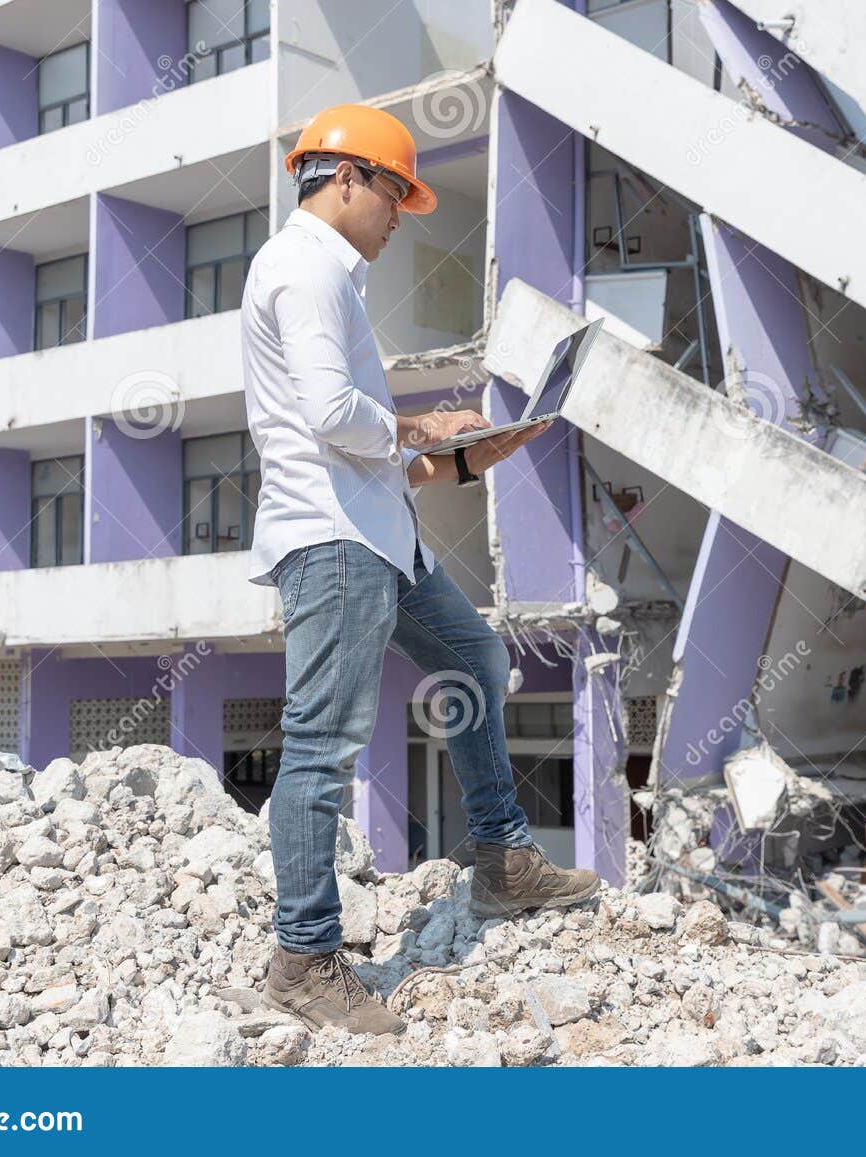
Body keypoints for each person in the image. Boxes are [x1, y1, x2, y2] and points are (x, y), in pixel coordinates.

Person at [240, 104, 600, 1036]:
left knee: (476, 659)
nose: (403, 213)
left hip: (377, 536)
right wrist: (415, 426)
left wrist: (479, 449)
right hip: (332, 543)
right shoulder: (301, 267)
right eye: (397, 191)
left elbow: (373, 448)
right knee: (322, 745)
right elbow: (331, 414)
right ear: (347, 177)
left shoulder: (333, 280)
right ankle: (304, 956)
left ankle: (504, 860)